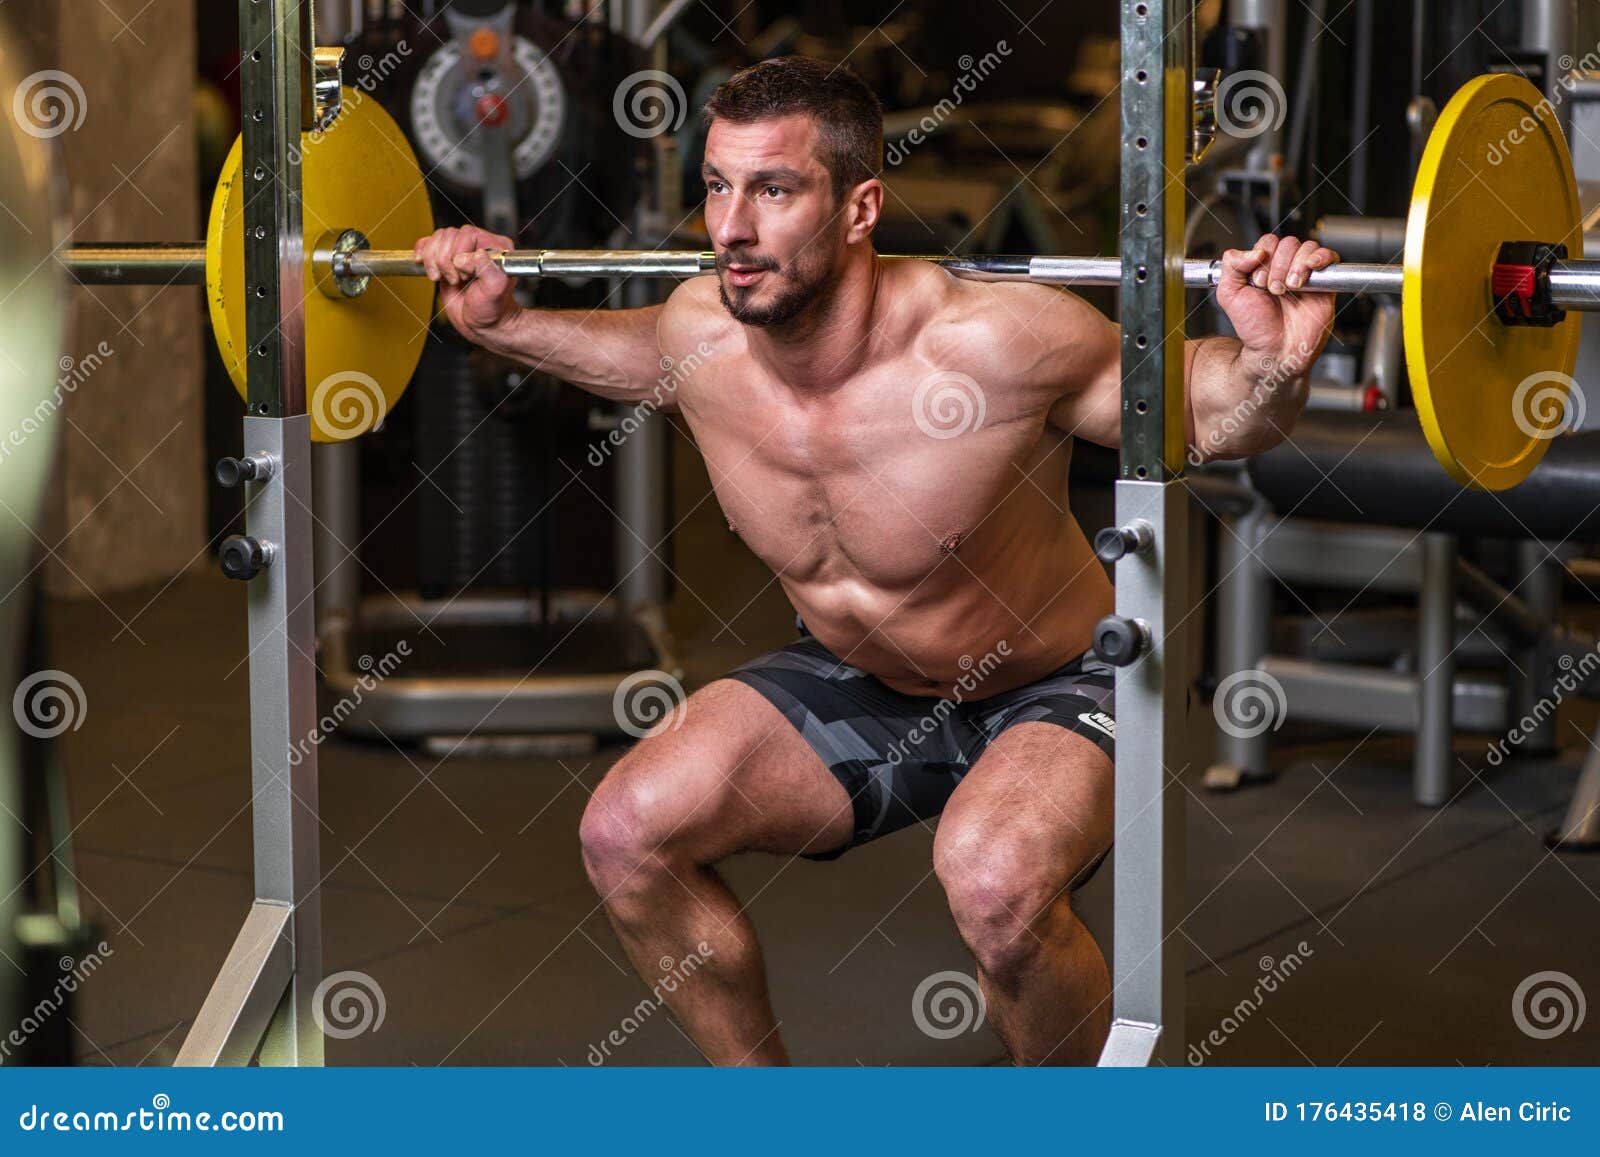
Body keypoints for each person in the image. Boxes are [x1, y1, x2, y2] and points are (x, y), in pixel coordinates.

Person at [413, 55, 1338, 1066]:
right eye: (718, 185)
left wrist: (1273, 364)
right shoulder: (702, 334)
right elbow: (629, 351)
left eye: (772, 189)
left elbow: (1204, 414)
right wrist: (507, 324)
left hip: (1055, 680)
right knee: (626, 830)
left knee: (994, 883)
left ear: (860, 207)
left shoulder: (991, 342)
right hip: (863, 675)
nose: (730, 227)